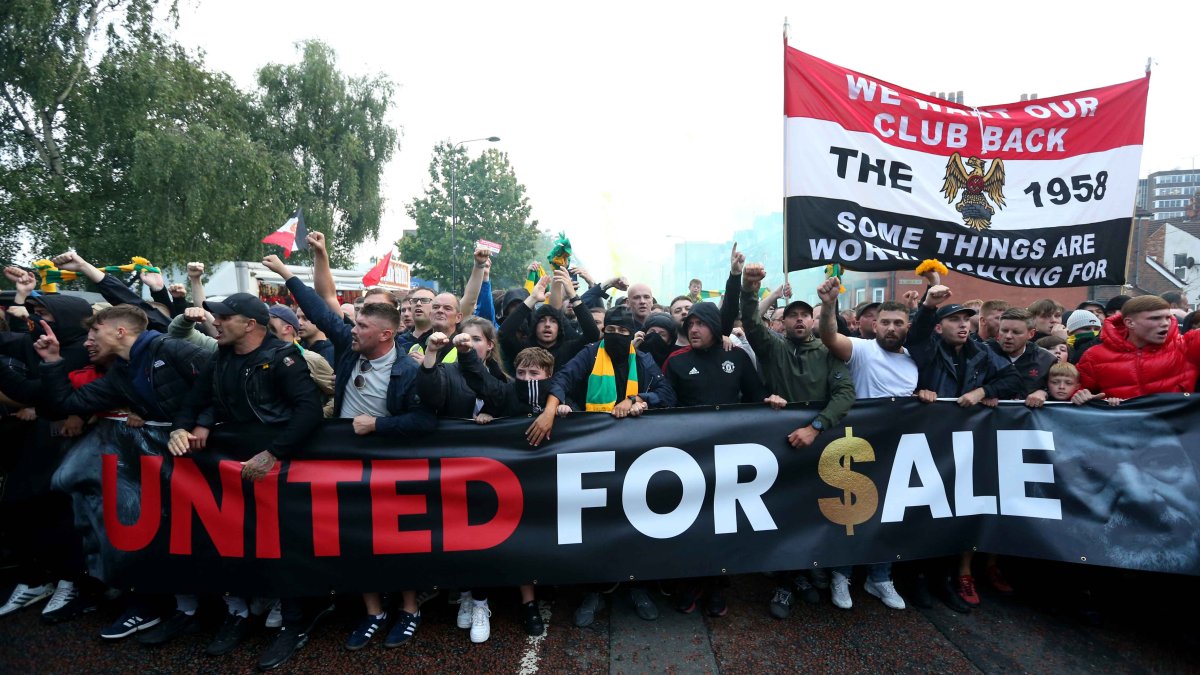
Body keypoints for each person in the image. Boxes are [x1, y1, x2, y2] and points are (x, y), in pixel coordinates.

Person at [266, 254, 437, 651]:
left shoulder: (408, 370)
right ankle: (373, 612)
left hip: (390, 468)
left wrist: (378, 425)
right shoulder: (348, 349)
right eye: (355, 323)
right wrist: (288, 274)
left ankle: (409, 609)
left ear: (386, 335)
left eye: (361, 326)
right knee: (355, 540)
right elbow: (320, 311)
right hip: (343, 465)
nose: (352, 330)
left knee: (398, 543)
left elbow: (426, 420)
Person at [170, 290, 325, 670]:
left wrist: (273, 453)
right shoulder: (221, 356)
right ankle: (240, 616)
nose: (216, 322)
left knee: (283, 545)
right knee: (234, 540)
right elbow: (196, 399)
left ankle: (295, 623)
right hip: (237, 463)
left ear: (250, 324)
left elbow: (309, 411)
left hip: (279, 466)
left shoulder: (283, 357)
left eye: (225, 317)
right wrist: (182, 427)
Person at [525, 305, 676, 623]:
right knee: (595, 524)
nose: (617, 336)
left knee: (635, 523)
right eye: (612, 331)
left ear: (631, 333)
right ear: (604, 330)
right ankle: (592, 592)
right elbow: (562, 379)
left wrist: (637, 399)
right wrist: (550, 411)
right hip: (593, 453)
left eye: (623, 332)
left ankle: (637, 586)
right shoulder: (590, 353)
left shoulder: (642, 359)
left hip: (634, 455)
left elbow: (667, 393)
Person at [662, 302, 787, 617]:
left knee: (722, 524)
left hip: (727, 458)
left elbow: (756, 395)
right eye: (690, 324)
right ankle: (690, 583)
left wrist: (770, 400)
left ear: (716, 327)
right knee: (690, 524)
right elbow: (663, 406)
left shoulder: (737, 356)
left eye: (701, 324)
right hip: (688, 460)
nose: (693, 329)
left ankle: (718, 586)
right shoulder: (676, 361)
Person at [815, 281, 916, 613]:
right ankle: (841, 574)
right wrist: (828, 305)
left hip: (896, 452)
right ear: (874, 325)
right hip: (855, 449)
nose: (890, 328)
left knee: (889, 516)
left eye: (898, 323)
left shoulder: (916, 360)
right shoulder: (861, 349)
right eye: (885, 322)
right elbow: (829, 336)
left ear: (908, 327)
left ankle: (880, 577)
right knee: (850, 514)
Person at [1076, 295, 1200, 402]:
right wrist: (1079, 395)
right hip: (1122, 422)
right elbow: (1072, 390)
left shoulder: (1186, 346)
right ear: (1130, 323)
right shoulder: (1094, 356)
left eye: (1167, 317)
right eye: (1155, 318)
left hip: (1174, 422)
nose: (1165, 323)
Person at [498, 268, 599, 374]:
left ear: (560, 327)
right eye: (542, 320)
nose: (547, 325)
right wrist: (533, 298)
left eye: (553, 321)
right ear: (534, 325)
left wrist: (573, 296)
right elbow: (503, 334)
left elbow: (592, 335)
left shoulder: (569, 350)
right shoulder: (523, 349)